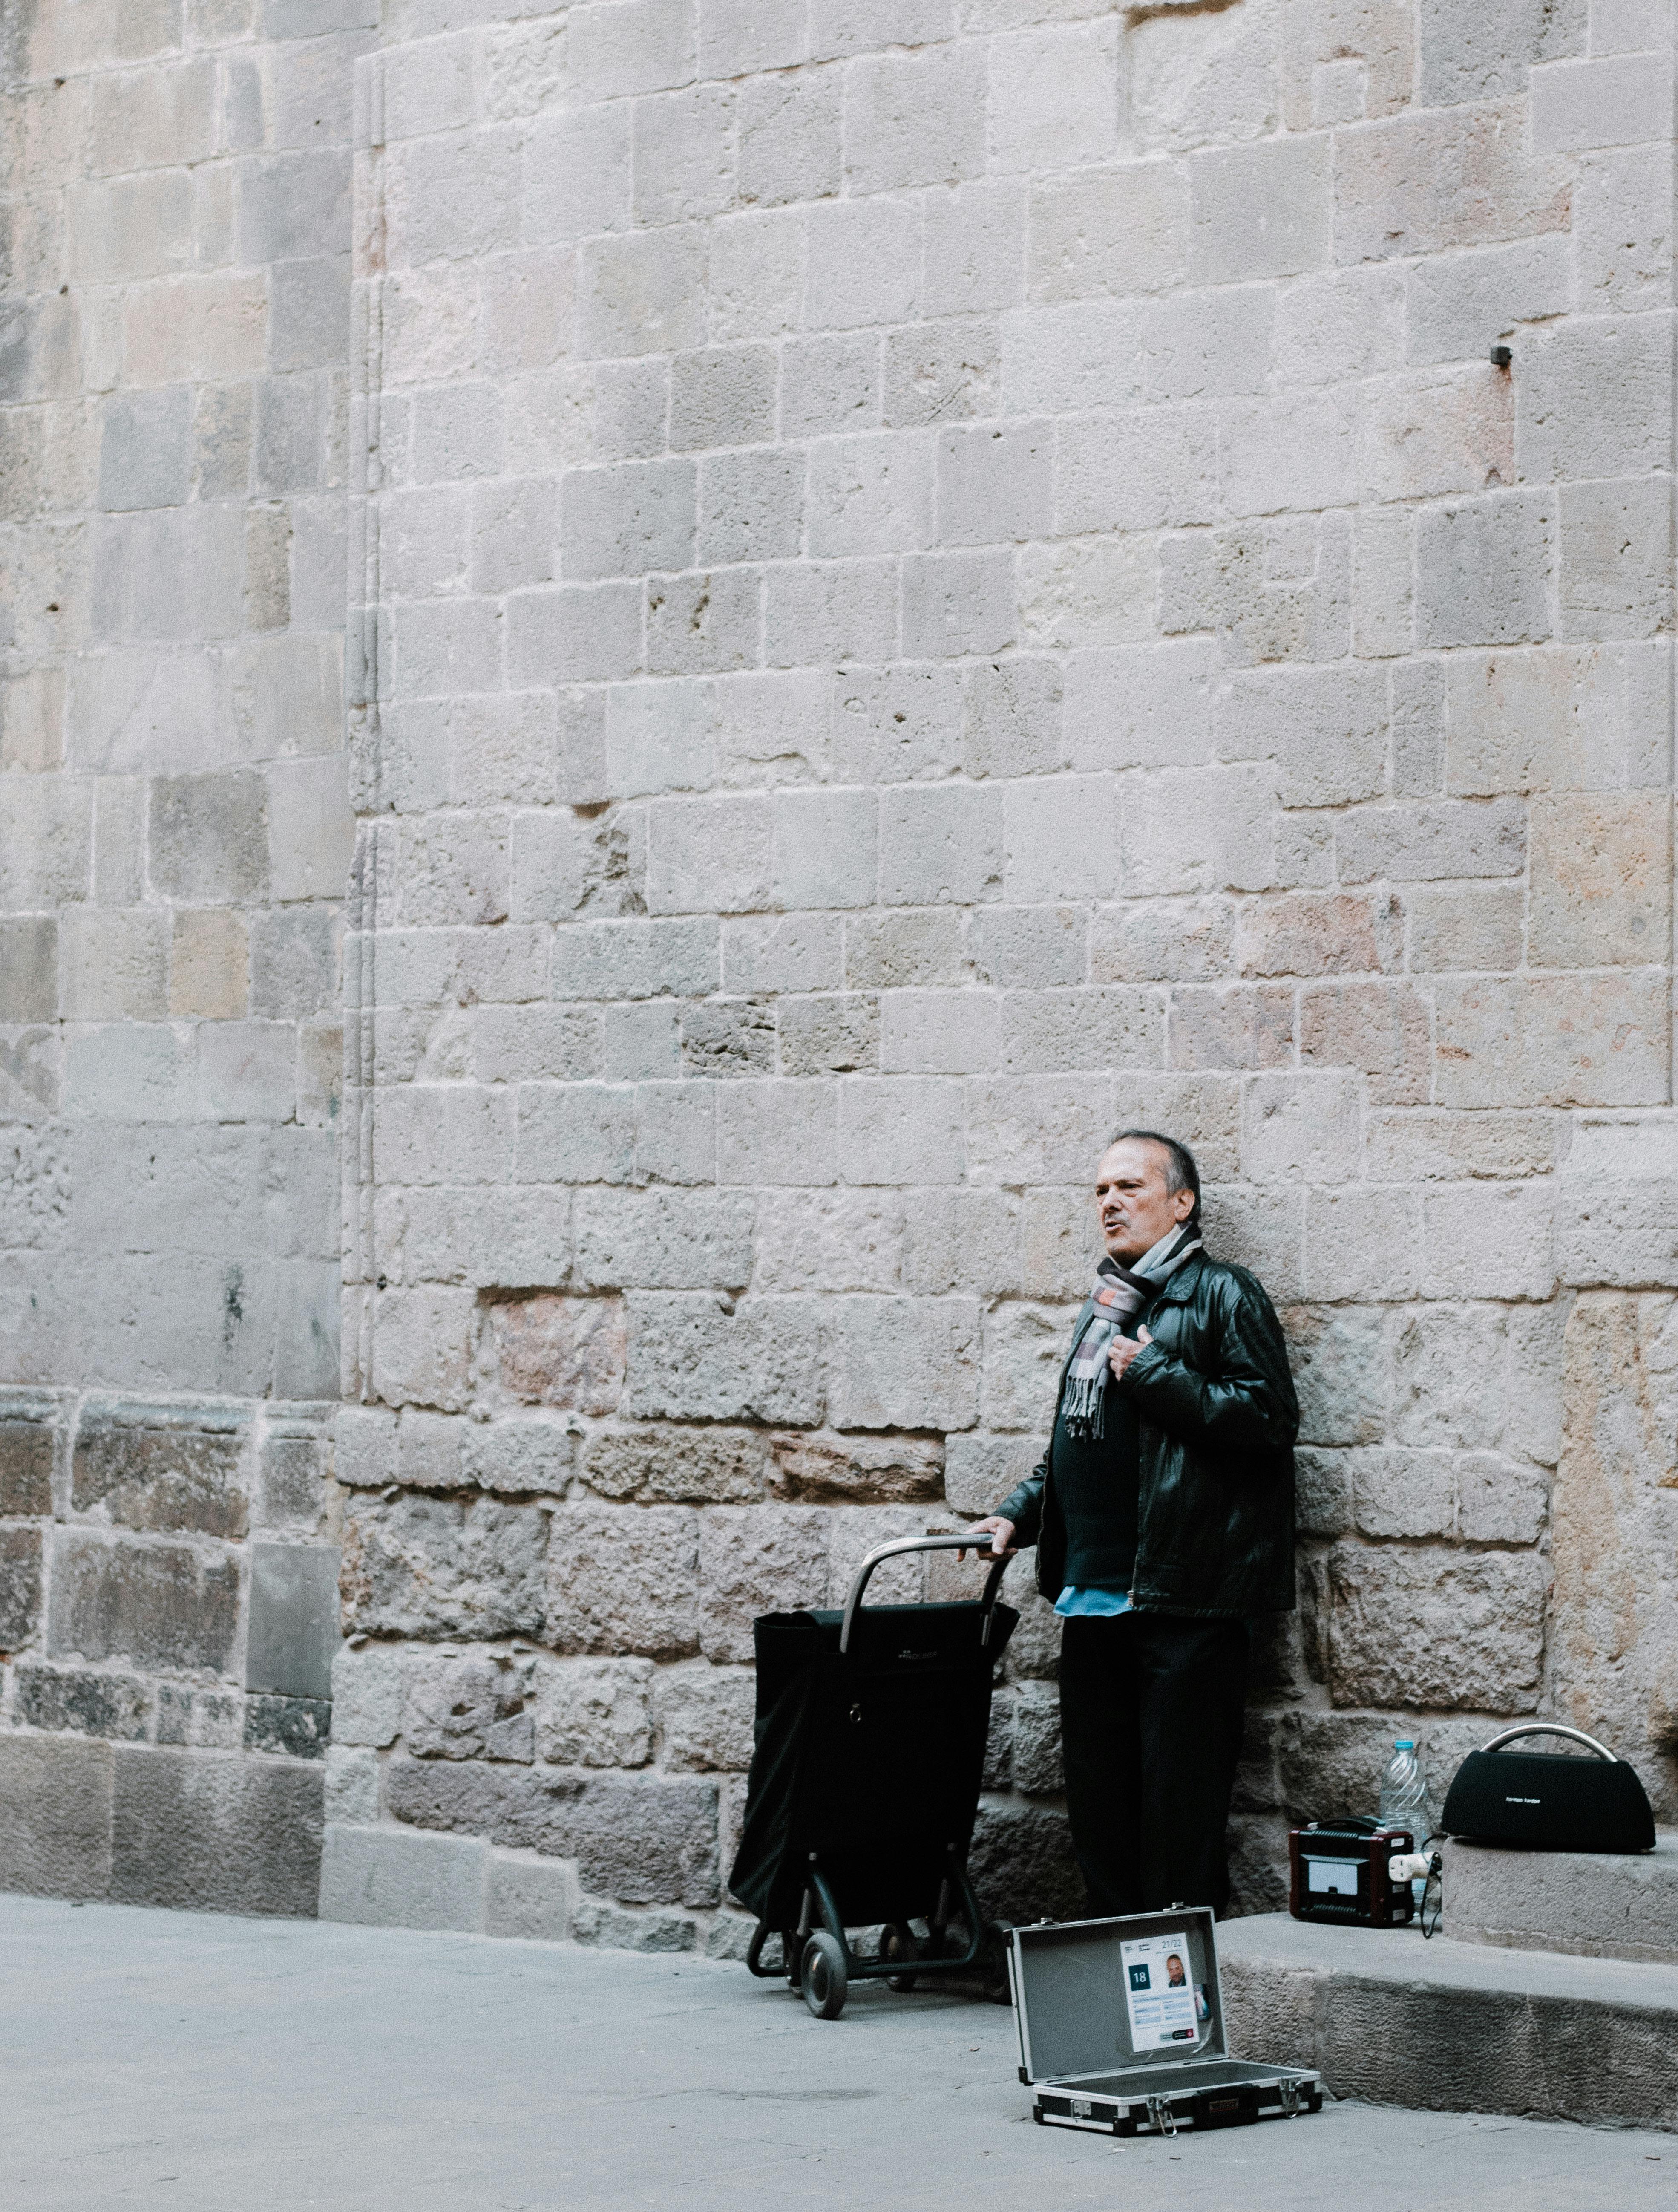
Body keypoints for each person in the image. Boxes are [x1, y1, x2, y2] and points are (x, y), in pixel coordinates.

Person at [965, 1130, 1296, 1920]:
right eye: (1101, 1191)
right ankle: (1122, 1987)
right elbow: (1076, 1449)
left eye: (1130, 1188)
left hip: (1186, 1604)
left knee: (1179, 1820)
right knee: (1102, 1813)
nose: (1110, 1203)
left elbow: (1269, 1420)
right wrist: (1018, 1514)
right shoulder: (1105, 1304)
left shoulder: (1225, 1294)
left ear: (1181, 1203)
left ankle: (1184, 2011)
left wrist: (1155, 1374)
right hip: (1094, 1599)